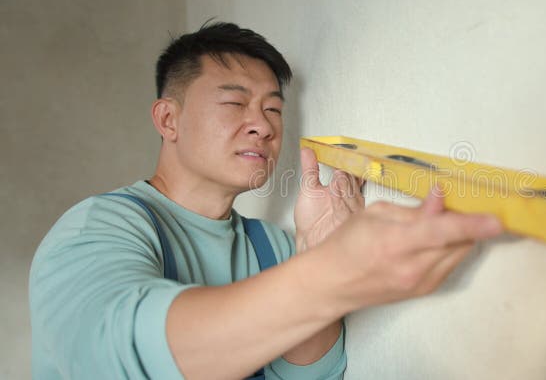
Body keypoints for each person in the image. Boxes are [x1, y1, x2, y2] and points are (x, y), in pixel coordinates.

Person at [29, 22, 503, 379]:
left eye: (273, 109)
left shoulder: (273, 247)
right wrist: (331, 273)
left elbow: (305, 376)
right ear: (168, 120)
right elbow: (129, 350)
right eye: (235, 103)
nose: (264, 125)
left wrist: (315, 253)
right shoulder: (98, 226)